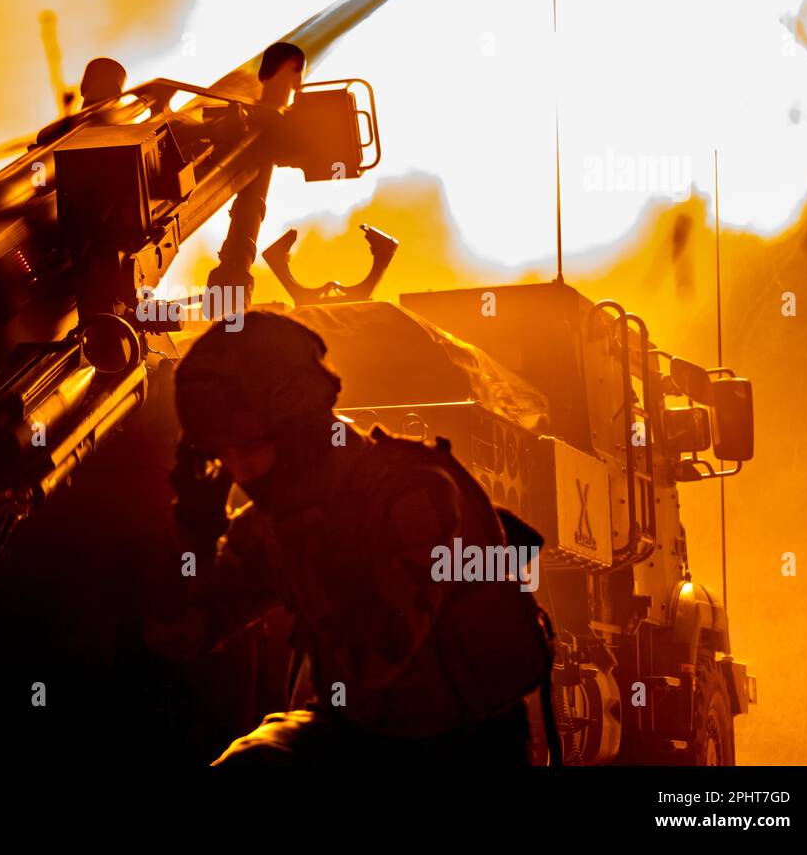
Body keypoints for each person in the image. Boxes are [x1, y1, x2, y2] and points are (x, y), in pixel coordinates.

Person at [149, 310, 552, 766]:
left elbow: (372, 660)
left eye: (247, 448)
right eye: (223, 455)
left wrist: (296, 535)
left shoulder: (415, 496)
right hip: (360, 731)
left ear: (299, 429)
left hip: (463, 748)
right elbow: (180, 636)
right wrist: (195, 530)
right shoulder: (278, 518)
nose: (238, 472)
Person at [203, 41, 305, 313]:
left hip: (234, 263)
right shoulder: (268, 124)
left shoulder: (252, 119)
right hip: (234, 266)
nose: (295, 84)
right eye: (294, 73)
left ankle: (225, 316)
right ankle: (228, 317)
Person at [35, 56, 128, 147]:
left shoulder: (114, 125)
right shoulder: (71, 124)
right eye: (99, 82)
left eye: (107, 85)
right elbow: (42, 136)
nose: (100, 87)